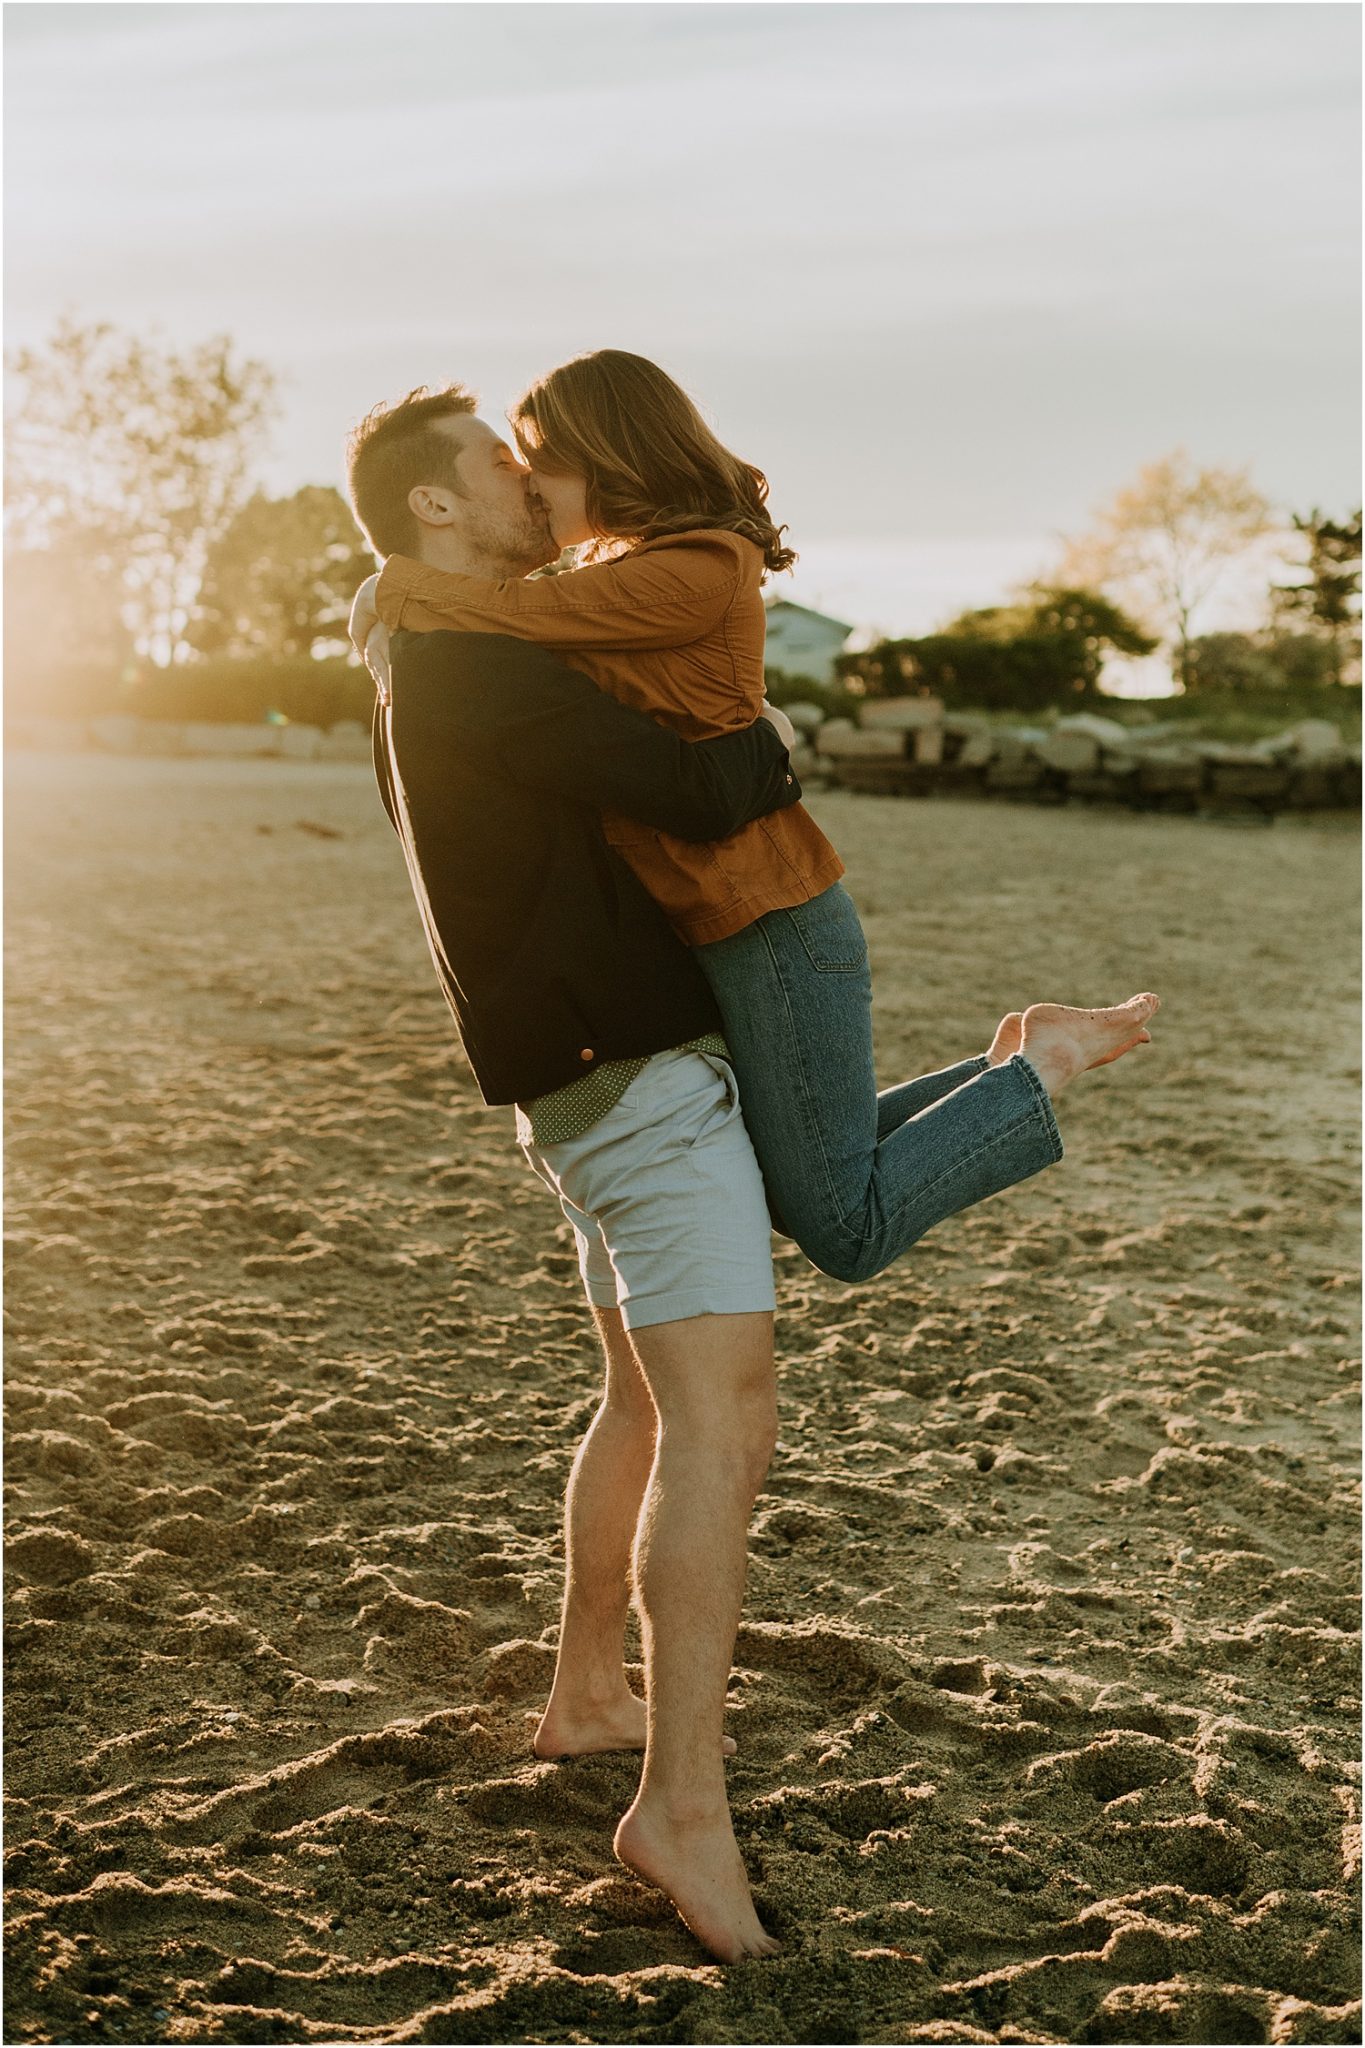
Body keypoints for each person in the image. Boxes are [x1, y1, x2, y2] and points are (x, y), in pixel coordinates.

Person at [352, 348, 1159, 1287]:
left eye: (540, 460)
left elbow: (527, 622)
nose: (529, 482)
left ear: (608, 458)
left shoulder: (692, 564)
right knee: (808, 1164)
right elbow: (537, 647)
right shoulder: (620, 577)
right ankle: (1005, 1068)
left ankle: (1040, 1068)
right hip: (720, 918)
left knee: (840, 1226)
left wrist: (390, 594)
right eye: (508, 462)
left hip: (770, 916)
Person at [345, 385, 794, 1961]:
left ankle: (587, 1692)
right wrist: (751, 710)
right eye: (496, 466)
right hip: (634, 1074)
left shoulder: (413, 648)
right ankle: (678, 1806)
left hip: (574, 1082)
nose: (527, 481)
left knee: (643, 1396)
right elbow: (716, 780)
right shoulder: (470, 661)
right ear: (436, 512)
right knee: (726, 1420)